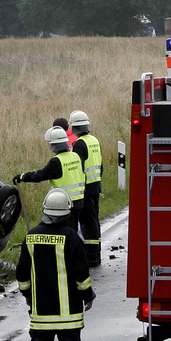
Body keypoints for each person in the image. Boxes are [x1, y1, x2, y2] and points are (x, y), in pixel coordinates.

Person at [16, 188, 96, 341]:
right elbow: (82, 273)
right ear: (67, 212)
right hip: (67, 312)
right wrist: (87, 295)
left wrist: (27, 295)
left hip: (40, 313)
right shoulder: (71, 237)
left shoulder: (31, 236)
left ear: (45, 210)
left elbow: (22, 273)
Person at [14, 127, 86, 231]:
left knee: (59, 231)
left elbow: (39, 175)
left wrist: (22, 177)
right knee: (72, 231)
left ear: (54, 145)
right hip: (78, 201)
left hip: (62, 204)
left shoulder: (57, 162)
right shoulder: (75, 156)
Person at [69, 110, 103, 267]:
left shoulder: (79, 144)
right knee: (94, 221)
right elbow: (99, 165)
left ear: (74, 127)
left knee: (87, 223)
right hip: (96, 185)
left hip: (86, 189)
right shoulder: (94, 140)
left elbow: (78, 167)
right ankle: (97, 254)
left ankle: (90, 258)